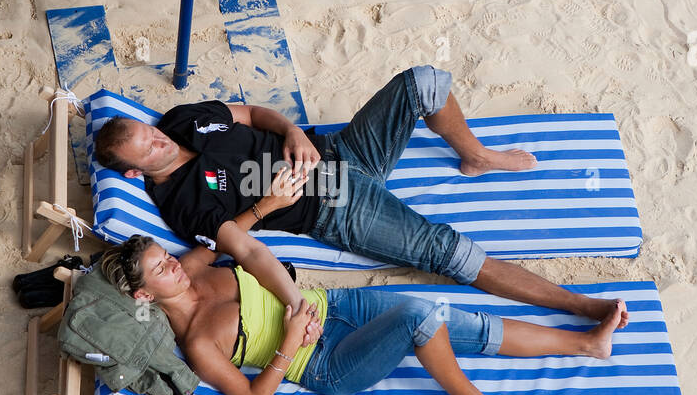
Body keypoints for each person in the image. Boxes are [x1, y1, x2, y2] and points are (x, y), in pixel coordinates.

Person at [94, 66, 629, 332]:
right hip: (333, 203)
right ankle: (580, 306)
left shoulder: (181, 119)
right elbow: (243, 247)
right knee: (450, 252)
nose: (162, 137)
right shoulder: (182, 202)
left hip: (339, 150)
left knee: (425, 82)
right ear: (138, 169)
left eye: (152, 130)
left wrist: (296, 134)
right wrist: (269, 208)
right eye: (152, 146)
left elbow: (255, 114)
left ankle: (477, 155)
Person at [99, 234, 626, 395]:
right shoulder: (196, 342)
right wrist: (289, 339)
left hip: (334, 306)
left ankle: (586, 344)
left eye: (164, 257)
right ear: (145, 296)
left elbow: (231, 237)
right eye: (160, 269)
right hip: (326, 361)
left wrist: (296, 304)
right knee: (420, 317)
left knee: (450, 318)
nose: (171, 265)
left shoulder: (199, 268)